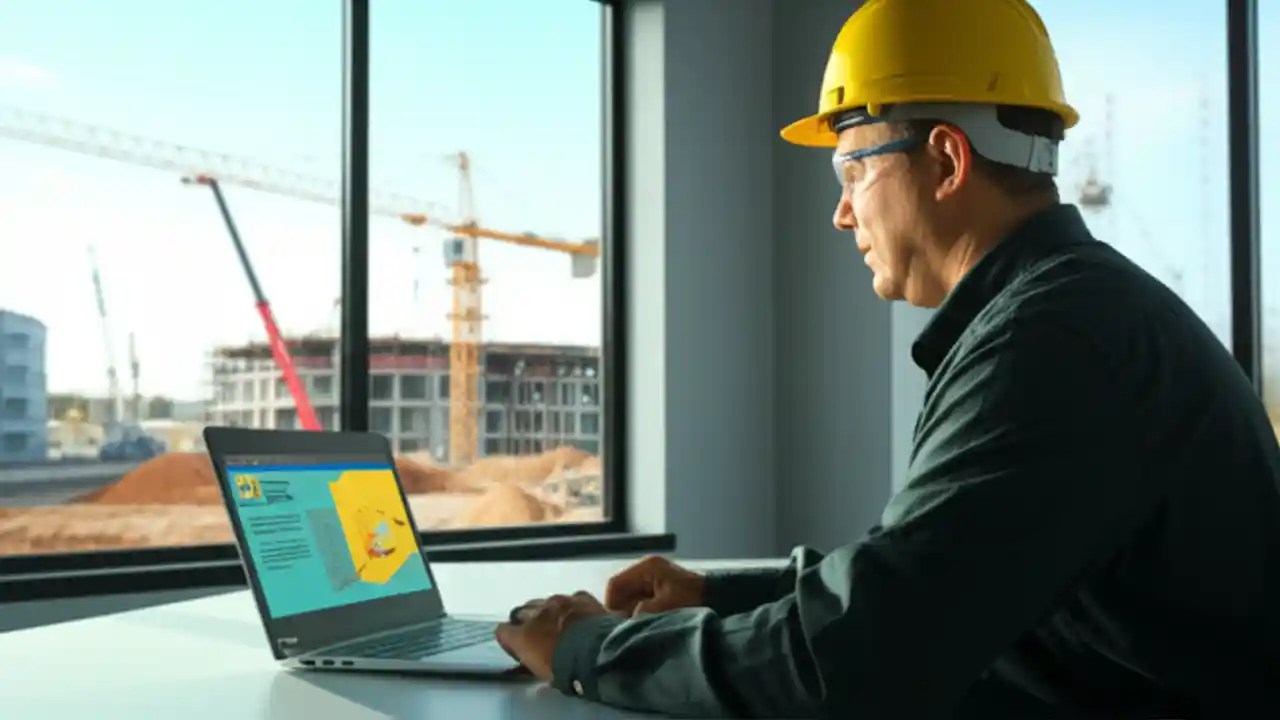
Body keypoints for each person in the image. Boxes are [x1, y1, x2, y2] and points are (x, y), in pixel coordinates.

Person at [492, 0, 1280, 717]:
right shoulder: (1069, 312)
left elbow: (854, 661)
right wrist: (715, 596)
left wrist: (586, 651)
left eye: (854, 168)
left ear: (945, 161)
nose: (841, 213)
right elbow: (932, 580)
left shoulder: (1056, 340)